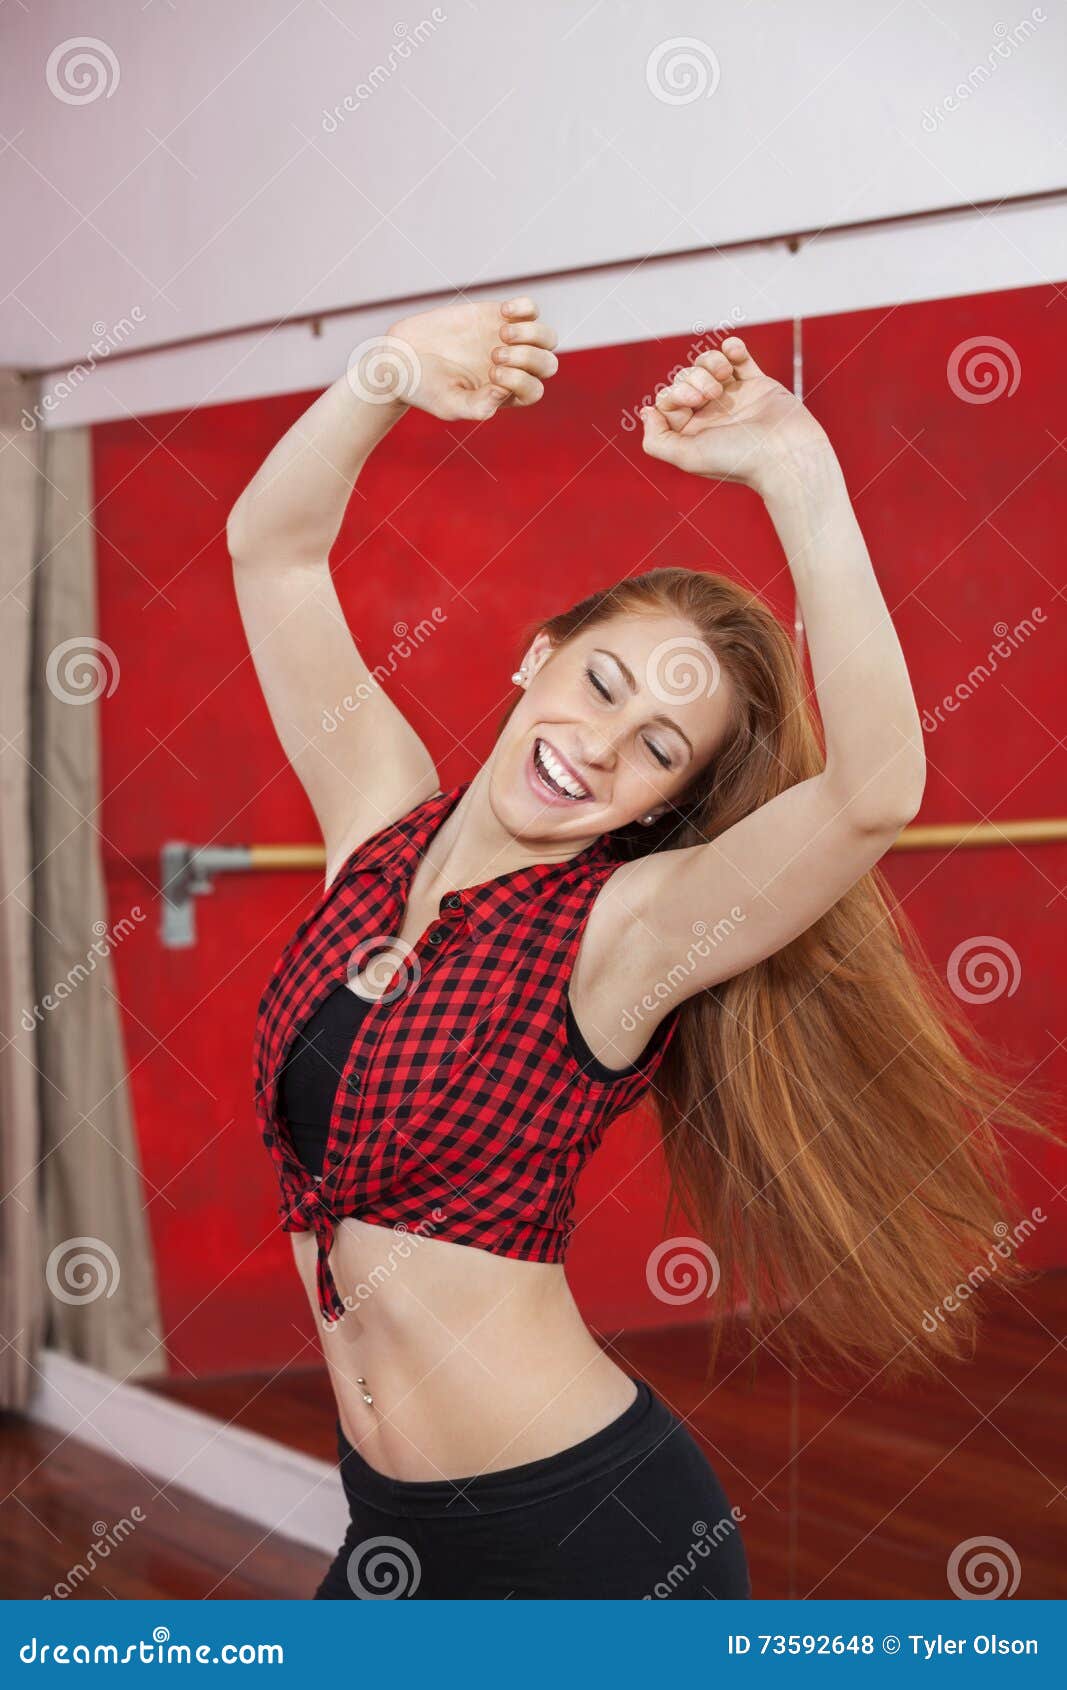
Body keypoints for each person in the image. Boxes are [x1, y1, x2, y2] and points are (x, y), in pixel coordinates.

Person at [227, 298, 1051, 1600]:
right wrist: (383, 375)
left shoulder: (629, 932)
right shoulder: (375, 813)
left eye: (661, 747)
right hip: (390, 1523)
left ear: (660, 804)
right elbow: (270, 552)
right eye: (605, 683)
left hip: (587, 1542)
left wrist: (800, 475)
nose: (603, 743)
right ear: (540, 657)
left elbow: (872, 790)